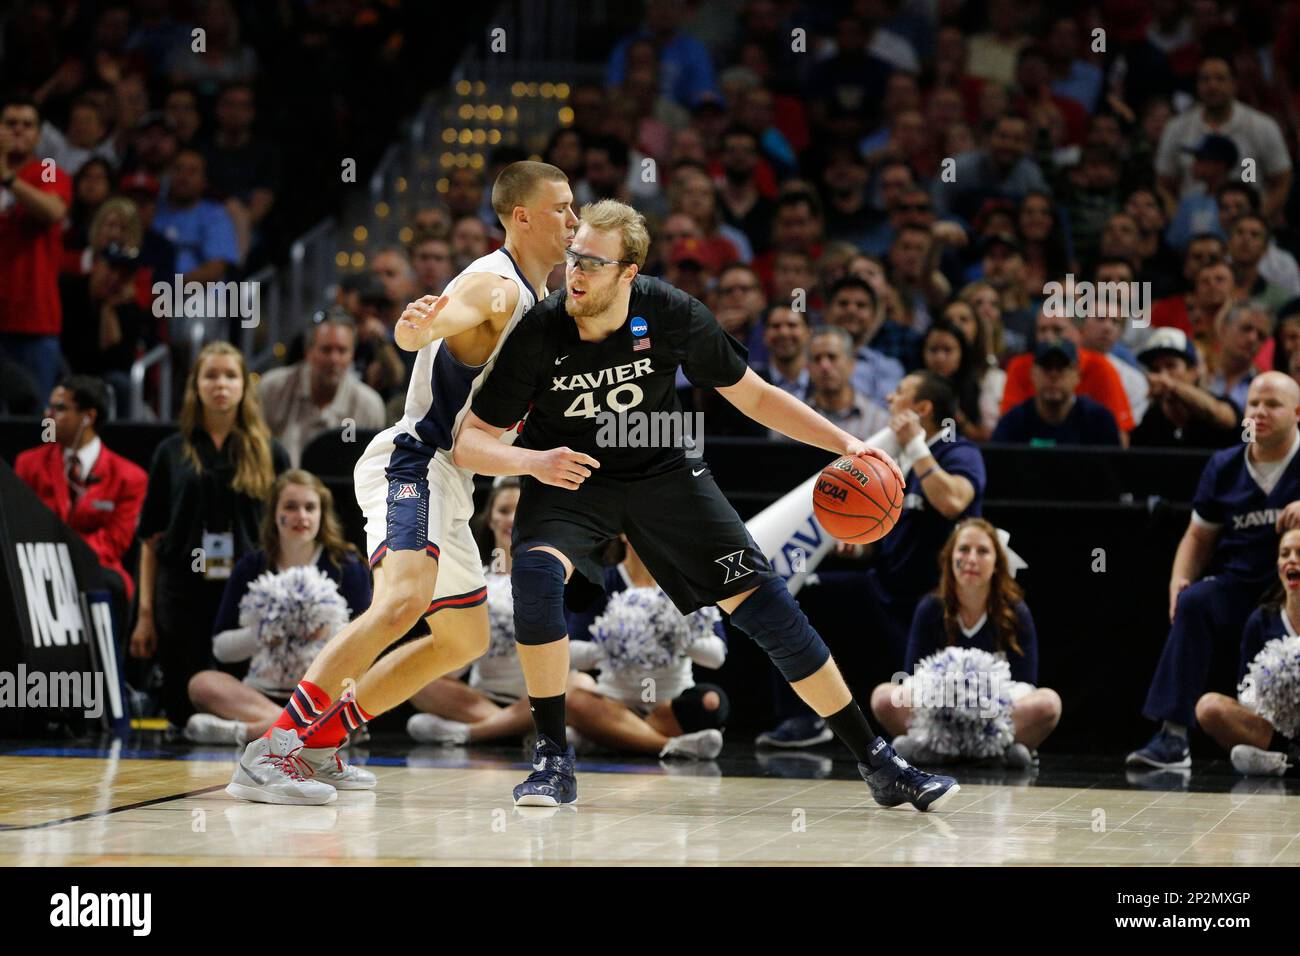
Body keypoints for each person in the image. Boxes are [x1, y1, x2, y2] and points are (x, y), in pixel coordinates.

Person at [456, 199, 960, 811]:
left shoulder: (669, 312)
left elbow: (754, 396)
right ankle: (552, 759)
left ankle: (879, 762)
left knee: (769, 608)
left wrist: (847, 442)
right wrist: (534, 462)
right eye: (571, 255)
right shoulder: (539, 331)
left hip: (663, 470)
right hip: (569, 475)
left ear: (629, 273)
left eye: (592, 260)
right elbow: (470, 442)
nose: (575, 271)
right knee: (535, 577)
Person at [226, 161, 578, 806]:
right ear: (522, 216)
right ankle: (272, 750)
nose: (575, 222)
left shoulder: (534, 299)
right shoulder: (497, 282)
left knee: (464, 637)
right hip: (412, 463)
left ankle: (324, 743)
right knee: (401, 601)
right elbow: (448, 315)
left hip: (454, 479)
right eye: (563, 208)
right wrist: (419, 327)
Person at [1127, 372, 1300, 770]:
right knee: (1194, 601)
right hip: (1241, 581)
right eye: (1253, 403)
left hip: (1291, 587)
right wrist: (1178, 580)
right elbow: (1198, 538)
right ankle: (1172, 737)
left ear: (1296, 412)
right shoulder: (1224, 465)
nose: (1259, 412)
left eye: (1272, 404)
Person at [130, 343, 291, 729]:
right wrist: (145, 614)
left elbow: (284, 534)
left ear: (243, 386)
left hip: (248, 592)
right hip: (182, 593)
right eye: (211, 375)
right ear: (196, 385)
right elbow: (150, 539)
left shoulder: (270, 452)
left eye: (230, 375)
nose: (221, 384)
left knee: (241, 700)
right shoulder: (171, 452)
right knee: (183, 709)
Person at [184, 470, 372, 748]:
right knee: (201, 684)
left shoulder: (347, 566)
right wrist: (261, 634)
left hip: (322, 693)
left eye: (310, 507)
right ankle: (308, 732)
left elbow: (367, 642)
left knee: (362, 690)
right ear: (274, 513)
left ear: (322, 514)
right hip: (260, 694)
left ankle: (247, 733)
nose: (301, 516)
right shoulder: (251, 566)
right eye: (290, 507)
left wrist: (327, 634)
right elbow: (221, 648)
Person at [870, 519, 1060, 767]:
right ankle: (991, 757)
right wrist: (950, 697)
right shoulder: (931, 607)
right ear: (950, 558)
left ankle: (953, 753)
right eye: (963, 549)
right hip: (940, 718)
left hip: (994, 718)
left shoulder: (1014, 611)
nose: (972, 559)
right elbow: (912, 677)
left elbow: (1026, 684)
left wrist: (982, 699)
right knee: (884, 697)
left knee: (1049, 703)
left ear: (996, 563)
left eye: (982, 551)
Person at [561, 536, 730, 759]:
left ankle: (611, 736)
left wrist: (676, 635)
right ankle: (668, 744)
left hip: (670, 705)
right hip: (614, 702)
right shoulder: (598, 582)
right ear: (622, 532)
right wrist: (614, 643)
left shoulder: (688, 585)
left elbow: (717, 656)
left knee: (711, 702)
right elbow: (568, 655)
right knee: (571, 699)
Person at [14, 375, 146, 643]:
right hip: (38, 565)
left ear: (88, 416)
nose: (48, 415)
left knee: (111, 584)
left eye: (59, 408)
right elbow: (19, 524)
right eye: (49, 407)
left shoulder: (129, 476)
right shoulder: (28, 464)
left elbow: (116, 541)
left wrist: (69, 558)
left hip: (97, 568)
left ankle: (110, 675)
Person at [405, 479, 537, 745]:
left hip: (539, 695)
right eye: (503, 510)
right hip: (482, 698)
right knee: (415, 680)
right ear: (490, 519)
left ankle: (470, 734)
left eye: (519, 509)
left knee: (576, 688)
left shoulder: (550, 575)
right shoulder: (474, 580)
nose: (511, 518)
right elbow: (461, 647)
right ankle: (520, 729)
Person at [1194, 528, 1300, 776]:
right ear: (1278, 564)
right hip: (1278, 727)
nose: (1292, 559)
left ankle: (1279, 763)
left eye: (1299, 553)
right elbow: (1246, 691)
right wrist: (1272, 691)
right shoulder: (1261, 621)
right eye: (1285, 554)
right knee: (1209, 707)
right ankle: (1290, 755)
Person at [0, 95, 72, 399]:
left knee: (39, 418)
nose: (18, 131)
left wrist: (7, 178)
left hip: (34, 319)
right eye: (10, 124)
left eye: (27, 125)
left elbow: (53, 211)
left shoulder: (47, 170)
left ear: (39, 135)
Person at [257, 309, 386, 467]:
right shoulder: (272, 388)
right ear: (308, 352)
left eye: (342, 350)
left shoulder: (369, 405)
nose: (334, 359)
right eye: (326, 350)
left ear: (352, 354)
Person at [992, 339, 1123, 446]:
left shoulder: (1099, 422)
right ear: (1032, 373)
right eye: (1046, 367)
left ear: (1077, 374)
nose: (1053, 375)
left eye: (1062, 367)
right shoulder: (1013, 422)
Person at [1132, 328, 1240, 449]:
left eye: (1171, 366)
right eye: (1155, 369)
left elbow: (1226, 419)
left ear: (1193, 371)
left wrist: (1173, 386)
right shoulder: (1150, 421)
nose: (1162, 376)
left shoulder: (1218, 405)